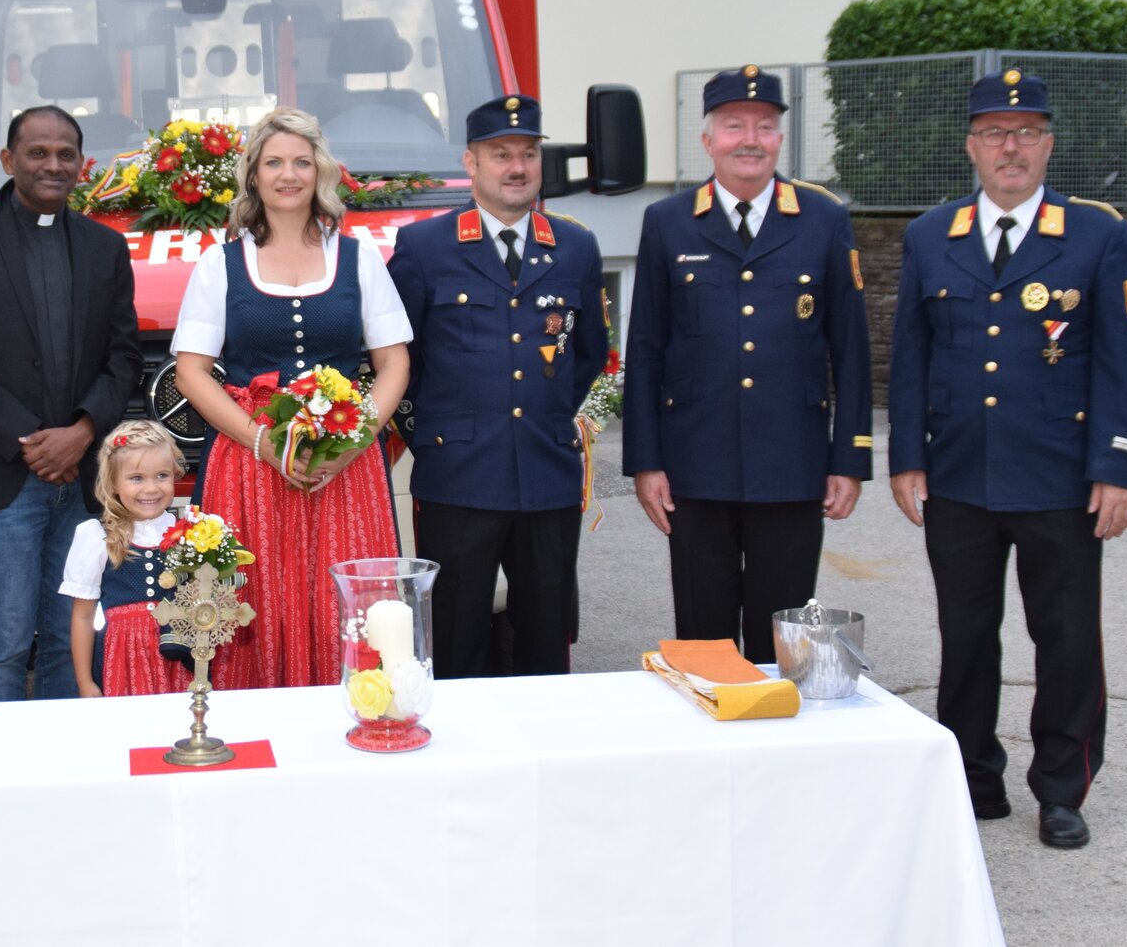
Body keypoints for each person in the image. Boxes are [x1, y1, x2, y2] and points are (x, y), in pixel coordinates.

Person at [888, 71, 1127, 850]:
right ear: (971, 146)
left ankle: (1062, 788)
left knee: (1065, 636)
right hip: (960, 473)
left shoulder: (1097, 235)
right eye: (996, 133)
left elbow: (1123, 364)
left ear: (1048, 145)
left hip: (1060, 476)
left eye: (1027, 132)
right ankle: (973, 776)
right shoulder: (932, 234)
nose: (1012, 147)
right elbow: (911, 354)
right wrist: (908, 456)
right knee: (966, 633)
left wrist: (1120, 468)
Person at [621, 67, 872, 665]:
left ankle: (779, 749)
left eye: (765, 126)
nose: (750, 138)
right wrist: (645, 463)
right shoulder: (669, 222)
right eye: (734, 126)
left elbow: (851, 349)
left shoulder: (823, 219)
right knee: (703, 638)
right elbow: (647, 348)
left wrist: (850, 458)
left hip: (793, 462)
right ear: (708, 141)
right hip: (695, 465)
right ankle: (711, 754)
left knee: (783, 639)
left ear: (781, 139)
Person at [174, 107, 411, 689]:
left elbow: (393, 362)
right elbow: (191, 372)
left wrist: (354, 444)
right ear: (253, 175)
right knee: (261, 595)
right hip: (250, 461)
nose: (289, 174)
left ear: (320, 172)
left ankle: (363, 711)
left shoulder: (358, 258)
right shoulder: (220, 264)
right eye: (274, 162)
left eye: (301, 162)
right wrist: (262, 440)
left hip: (344, 463)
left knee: (344, 597)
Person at [0, 106, 143, 702]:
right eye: (38, 153)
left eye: (65, 154)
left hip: (85, 478)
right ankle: (0, 778)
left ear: (81, 164)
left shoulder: (105, 247)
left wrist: (82, 430)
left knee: (73, 636)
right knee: (7, 640)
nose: (53, 164)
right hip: (5, 476)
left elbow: (124, 356)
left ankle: (64, 768)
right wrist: (32, 440)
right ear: (8, 160)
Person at [388, 94, 608, 678]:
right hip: (457, 476)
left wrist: (560, 419)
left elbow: (591, 358)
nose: (517, 166)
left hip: (547, 476)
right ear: (471, 163)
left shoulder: (577, 247)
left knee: (545, 640)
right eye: (501, 153)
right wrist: (431, 438)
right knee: (456, 642)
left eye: (529, 154)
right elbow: (392, 360)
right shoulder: (424, 247)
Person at [60, 419, 193, 697]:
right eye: (136, 478)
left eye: (162, 475)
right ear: (113, 482)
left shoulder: (189, 533)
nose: (151, 489)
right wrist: (85, 683)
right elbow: (83, 617)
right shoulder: (97, 537)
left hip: (177, 656)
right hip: (120, 659)